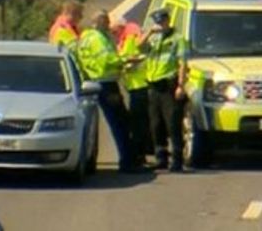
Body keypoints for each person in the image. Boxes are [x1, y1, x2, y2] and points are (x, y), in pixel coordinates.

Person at [78, 11, 143, 173]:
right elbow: (106, 60)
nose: (108, 25)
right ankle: (128, 162)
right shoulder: (98, 39)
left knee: (117, 122)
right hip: (105, 83)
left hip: (95, 80)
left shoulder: (85, 37)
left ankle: (129, 159)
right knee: (120, 123)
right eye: (106, 22)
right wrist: (125, 60)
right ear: (98, 22)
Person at [140, 9, 189, 172]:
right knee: (155, 123)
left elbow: (182, 63)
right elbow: (139, 47)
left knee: (172, 123)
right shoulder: (154, 38)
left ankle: (177, 160)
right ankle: (161, 157)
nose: (159, 25)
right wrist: (149, 33)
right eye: (156, 22)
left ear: (168, 21)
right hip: (153, 84)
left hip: (169, 84)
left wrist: (181, 85)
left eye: (161, 22)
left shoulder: (178, 39)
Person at [112, 16, 162, 167]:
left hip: (140, 85)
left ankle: (141, 155)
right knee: (139, 123)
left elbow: (139, 54)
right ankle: (144, 154)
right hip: (135, 85)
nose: (113, 34)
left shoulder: (131, 35)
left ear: (120, 27)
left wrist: (127, 64)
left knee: (139, 124)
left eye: (114, 30)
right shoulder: (125, 36)